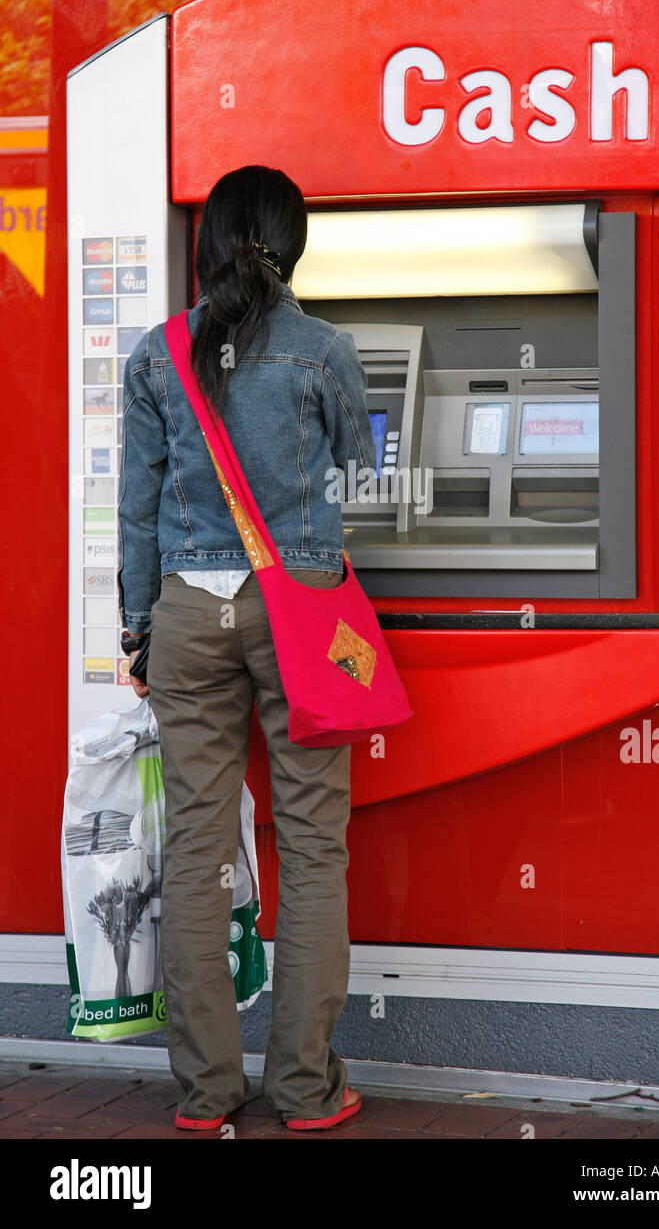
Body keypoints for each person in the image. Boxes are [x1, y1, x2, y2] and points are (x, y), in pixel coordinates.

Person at [116, 164, 376, 1132]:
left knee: (194, 846)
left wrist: (138, 631)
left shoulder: (157, 355)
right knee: (310, 843)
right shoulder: (325, 350)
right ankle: (305, 1089)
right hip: (300, 612)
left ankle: (206, 1093)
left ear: (208, 245)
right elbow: (363, 474)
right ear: (290, 246)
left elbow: (137, 508)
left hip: (188, 612)